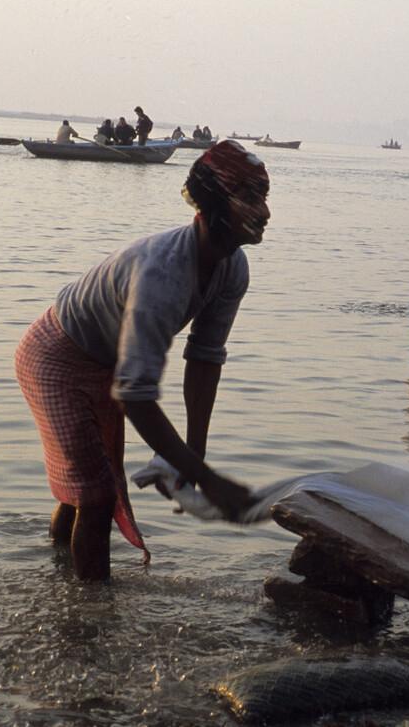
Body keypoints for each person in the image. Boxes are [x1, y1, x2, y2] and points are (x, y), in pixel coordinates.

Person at [14, 140, 269, 581]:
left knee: (85, 487)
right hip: (55, 356)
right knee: (94, 495)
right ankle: (89, 622)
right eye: (249, 197)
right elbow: (136, 395)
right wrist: (205, 476)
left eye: (264, 198)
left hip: (103, 361)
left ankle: (57, 578)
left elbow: (205, 359)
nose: (264, 212)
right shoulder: (162, 276)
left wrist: (194, 450)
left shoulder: (232, 268)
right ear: (212, 205)